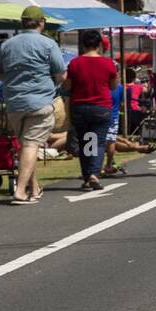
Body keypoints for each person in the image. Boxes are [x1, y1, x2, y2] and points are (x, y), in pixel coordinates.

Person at [0, 6, 66, 204]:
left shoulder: (8, 45)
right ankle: (20, 190)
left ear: (22, 22)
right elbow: (61, 74)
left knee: (25, 146)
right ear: (42, 22)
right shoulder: (48, 44)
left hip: (14, 103)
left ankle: (34, 188)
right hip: (40, 102)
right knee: (31, 145)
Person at [65, 28, 118, 191]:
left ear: (83, 44)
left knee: (85, 141)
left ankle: (88, 176)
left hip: (80, 106)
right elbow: (113, 86)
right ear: (99, 44)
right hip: (101, 107)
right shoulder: (108, 63)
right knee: (98, 142)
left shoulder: (75, 63)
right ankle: (94, 173)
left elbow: (68, 86)